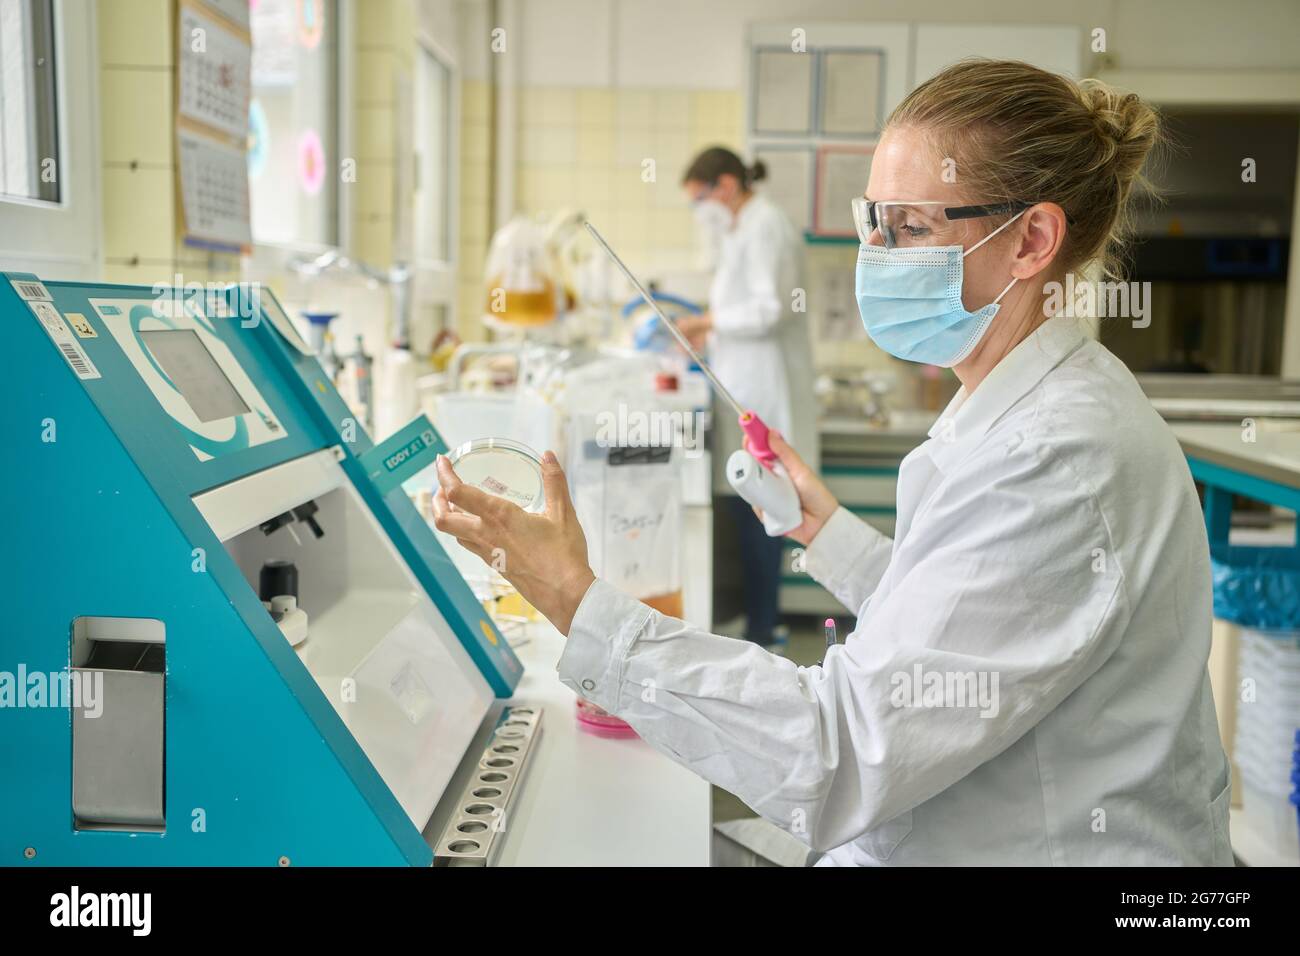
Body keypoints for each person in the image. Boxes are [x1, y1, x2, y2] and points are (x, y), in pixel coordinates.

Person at [432, 59, 1233, 865]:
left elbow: (839, 752)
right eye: (873, 222)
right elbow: (958, 622)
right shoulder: (1026, 402)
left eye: (911, 229)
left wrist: (578, 602)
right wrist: (827, 531)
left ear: (1030, 240)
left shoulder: (1057, 456)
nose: (877, 255)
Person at [675, 146, 818, 649]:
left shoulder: (766, 225)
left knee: (766, 506)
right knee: (747, 505)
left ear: (727, 186)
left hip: (768, 391)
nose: (700, 212)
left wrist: (707, 323)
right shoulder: (739, 229)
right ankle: (758, 621)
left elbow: (770, 309)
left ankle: (765, 625)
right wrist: (705, 332)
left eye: (700, 200)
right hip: (744, 389)